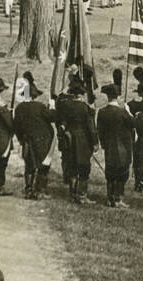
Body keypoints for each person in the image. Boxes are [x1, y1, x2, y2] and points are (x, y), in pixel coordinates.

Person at [55, 76, 98, 205]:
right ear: (82, 94)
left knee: (72, 165)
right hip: (83, 140)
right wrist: (95, 142)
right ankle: (82, 195)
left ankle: (72, 193)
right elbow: (91, 127)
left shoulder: (65, 105)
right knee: (84, 167)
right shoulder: (85, 108)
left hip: (70, 138)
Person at [13, 72, 56, 200]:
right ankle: (40, 190)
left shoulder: (19, 108)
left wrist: (21, 140)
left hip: (27, 141)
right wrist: (53, 107)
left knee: (29, 165)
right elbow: (52, 117)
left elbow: (16, 127)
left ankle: (28, 189)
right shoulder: (40, 107)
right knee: (43, 165)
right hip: (42, 141)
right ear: (34, 95)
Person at [96, 72, 134, 207]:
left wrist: (103, 143)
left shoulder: (101, 112)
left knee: (110, 171)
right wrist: (129, 112)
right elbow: (132, 124)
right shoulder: (123, 112)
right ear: (117, 96)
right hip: (123, 146)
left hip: (109, 146)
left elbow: (99, 130)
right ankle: (118, 198)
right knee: (122, 172)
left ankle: (110, 197)